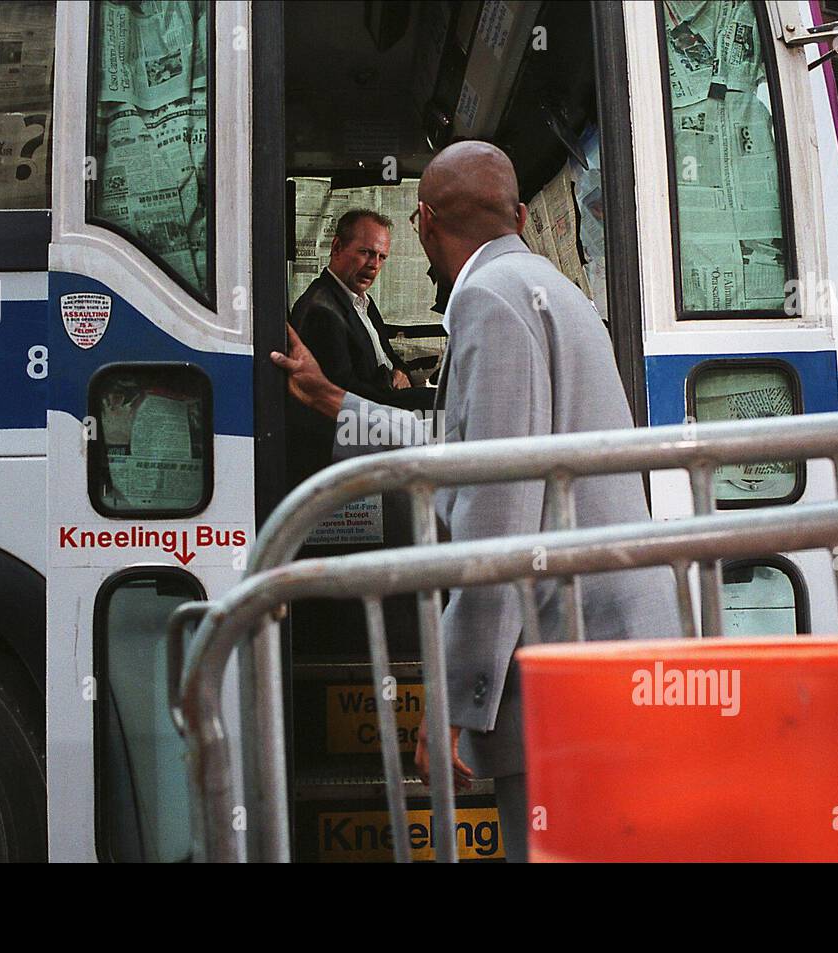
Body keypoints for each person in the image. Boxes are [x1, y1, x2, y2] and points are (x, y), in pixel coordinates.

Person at [272, 141, 681, 862]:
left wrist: (458, 696)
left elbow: (498, 515)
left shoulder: (492, 305)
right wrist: (332, 399)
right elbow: (454, 440)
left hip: (568, 654)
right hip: (601, 640)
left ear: (424, 223)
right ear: (520, 215)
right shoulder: (541, 287)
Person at [287, 209, 434, 487]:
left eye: (381, 257)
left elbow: (389, 355)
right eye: (366, 252)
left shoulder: (360, 301)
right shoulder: (321, 309)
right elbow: (343, 390)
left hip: (379, 409)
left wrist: (400, 371)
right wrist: (398, 391)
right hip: (352, 430)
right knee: (439, 410)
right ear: (337, 247)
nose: (374, 265)